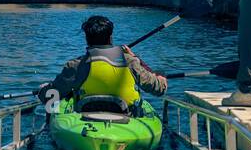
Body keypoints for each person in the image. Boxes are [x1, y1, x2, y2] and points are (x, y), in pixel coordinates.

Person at [37, 14, 167, 112]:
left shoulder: (75, 66)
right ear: (110, 37)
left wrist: (42, 90)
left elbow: (51, 96)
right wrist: (136, 59)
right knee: (159, 74)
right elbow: (159, 89)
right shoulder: (130, 61)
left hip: (86, 118)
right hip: (125, 117)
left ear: (87, 39)